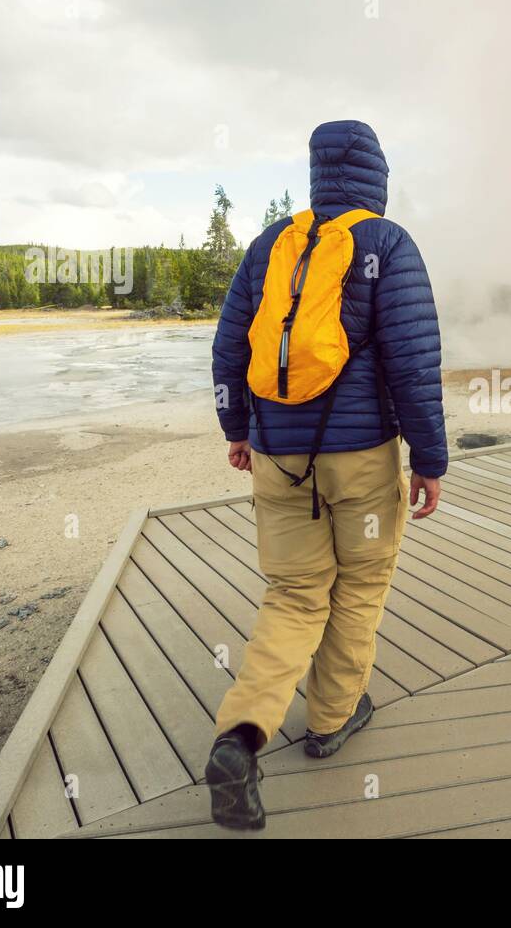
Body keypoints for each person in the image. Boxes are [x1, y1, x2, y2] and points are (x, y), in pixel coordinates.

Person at [205, 120, 448, 830]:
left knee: (295, 593)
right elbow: (412, 363)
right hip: (361, 461)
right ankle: (332, 717)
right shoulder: (387, 243)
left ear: (315, 173)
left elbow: (228, 348)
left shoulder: (271, 247)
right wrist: (428, 459)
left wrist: (237, 428)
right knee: (362, 582)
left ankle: (240, 737)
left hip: (278, 457)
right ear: (377, 176)